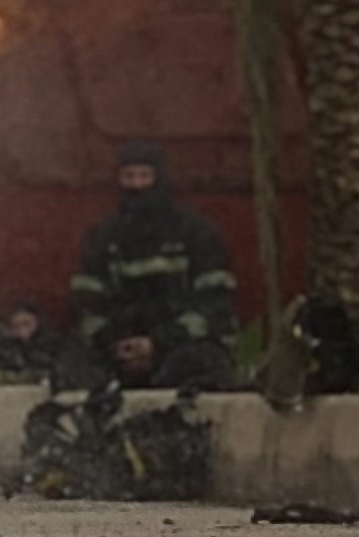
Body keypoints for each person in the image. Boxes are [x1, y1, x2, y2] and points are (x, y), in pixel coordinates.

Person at [69, 144, 238, 386]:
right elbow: (86, 306)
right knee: (76, 370)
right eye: (129, 177)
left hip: (183, 348)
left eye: (144, 176)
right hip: (117, 350)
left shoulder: (196, 233)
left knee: (196, 367)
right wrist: (115, 342)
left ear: (160, 178)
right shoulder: (102, 238)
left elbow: (215, 307)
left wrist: (159, 343)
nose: (137, 185)